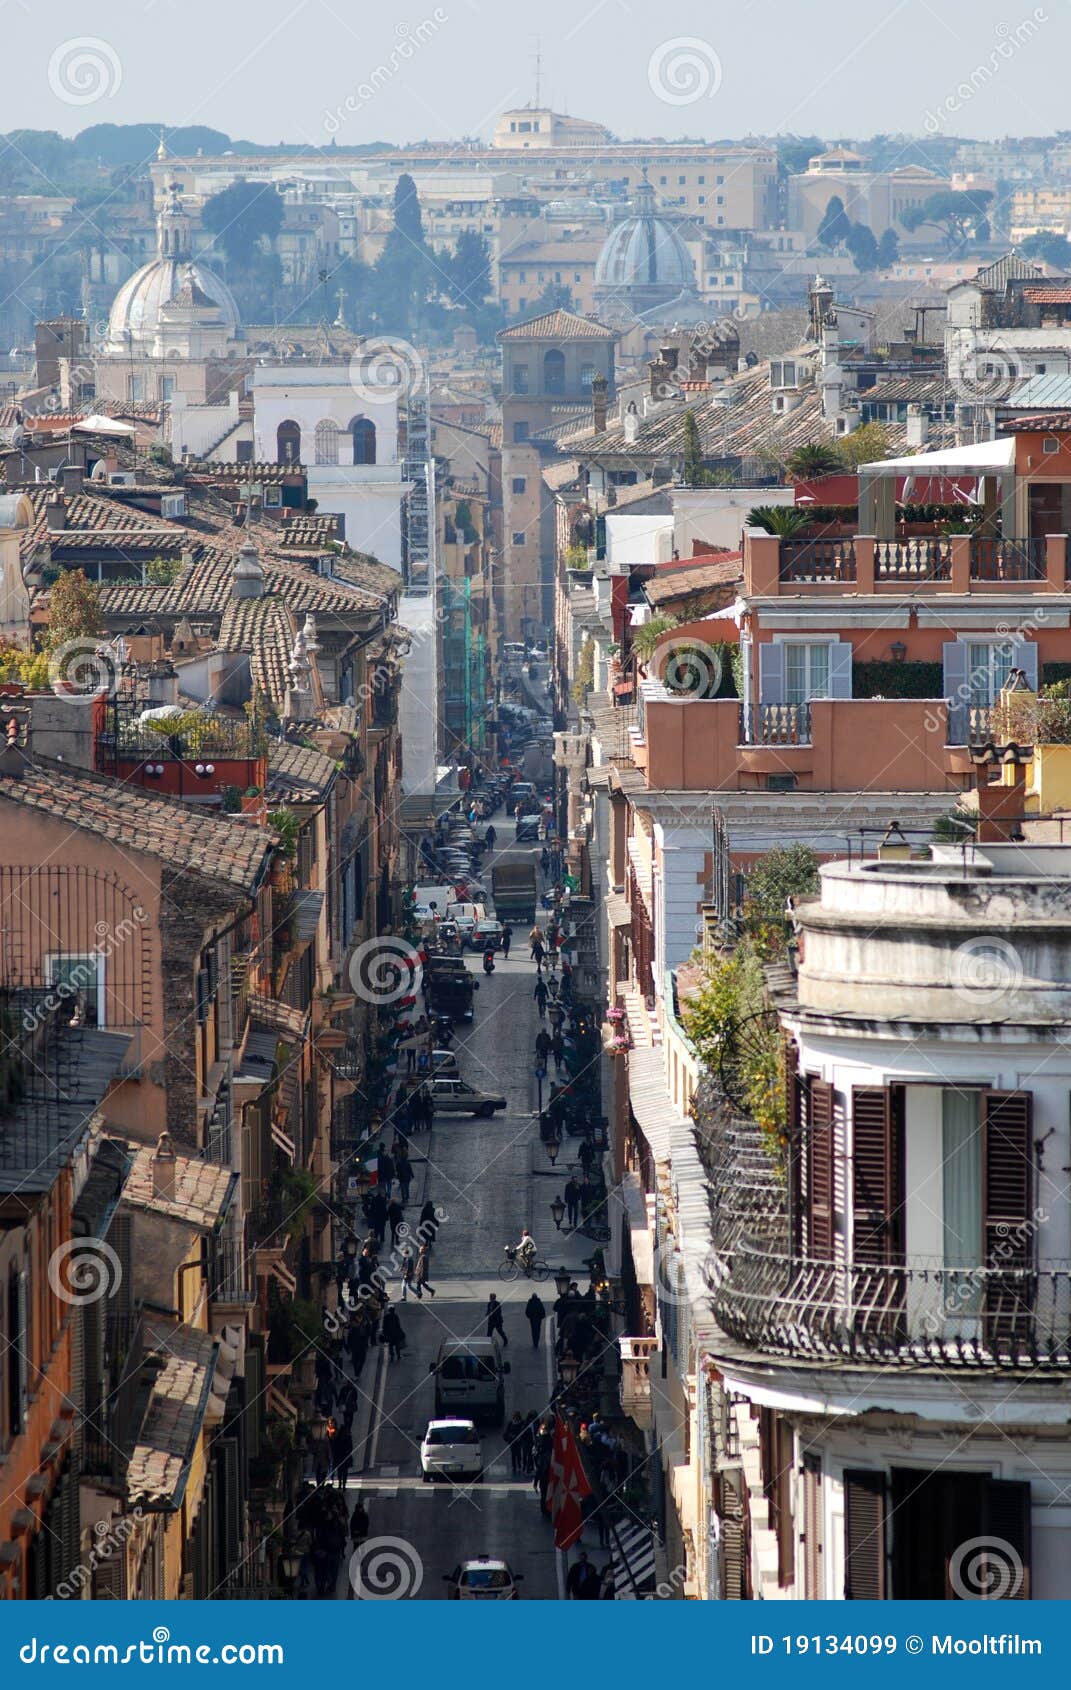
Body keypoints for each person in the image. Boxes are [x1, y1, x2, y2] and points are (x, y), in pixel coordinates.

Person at [506, 1410, 525, 1475]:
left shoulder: (522, 1423)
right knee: (513, 1454)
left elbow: (523, 1430)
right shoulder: (510, 1423)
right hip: (512, 1441)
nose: (516, 1418)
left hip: (519, 1441)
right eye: (515, 1416)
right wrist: (511, 1436)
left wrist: (520, 1437)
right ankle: (514, 1466)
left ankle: (519, 1465)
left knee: (518, 1453)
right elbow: (507, 1432)